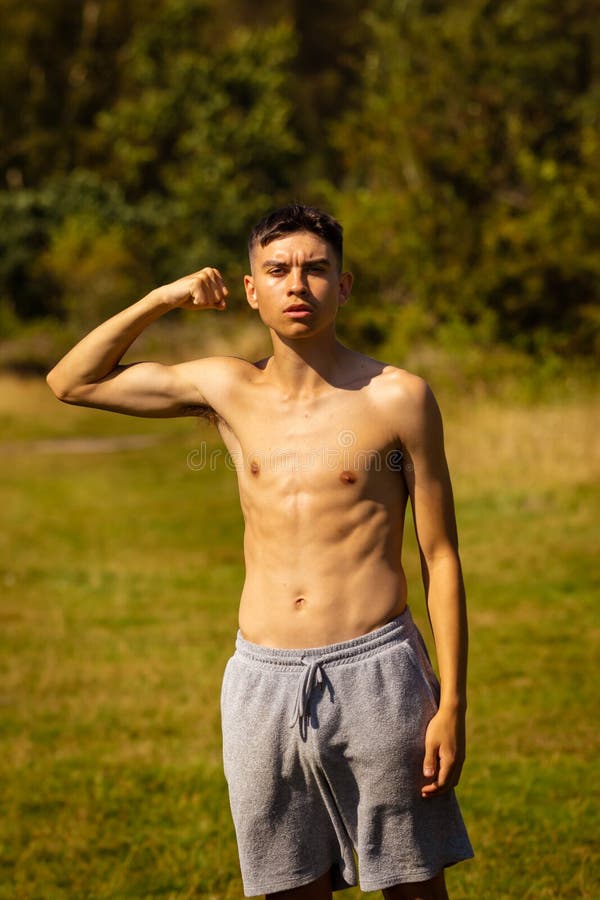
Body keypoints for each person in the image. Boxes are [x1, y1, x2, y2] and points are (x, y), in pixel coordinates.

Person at [47, 204, 473, 899]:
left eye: (316, 269)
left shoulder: (398, 397)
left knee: (413, 888)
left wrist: (451, 702)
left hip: (378, 675)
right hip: (262, 683)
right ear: (252, 289)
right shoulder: (225, 387)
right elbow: (73, 382)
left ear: (345, 284)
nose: (297, 285)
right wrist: (164, 298)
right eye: (277, 271)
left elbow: (442, 555)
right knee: (288, 888)